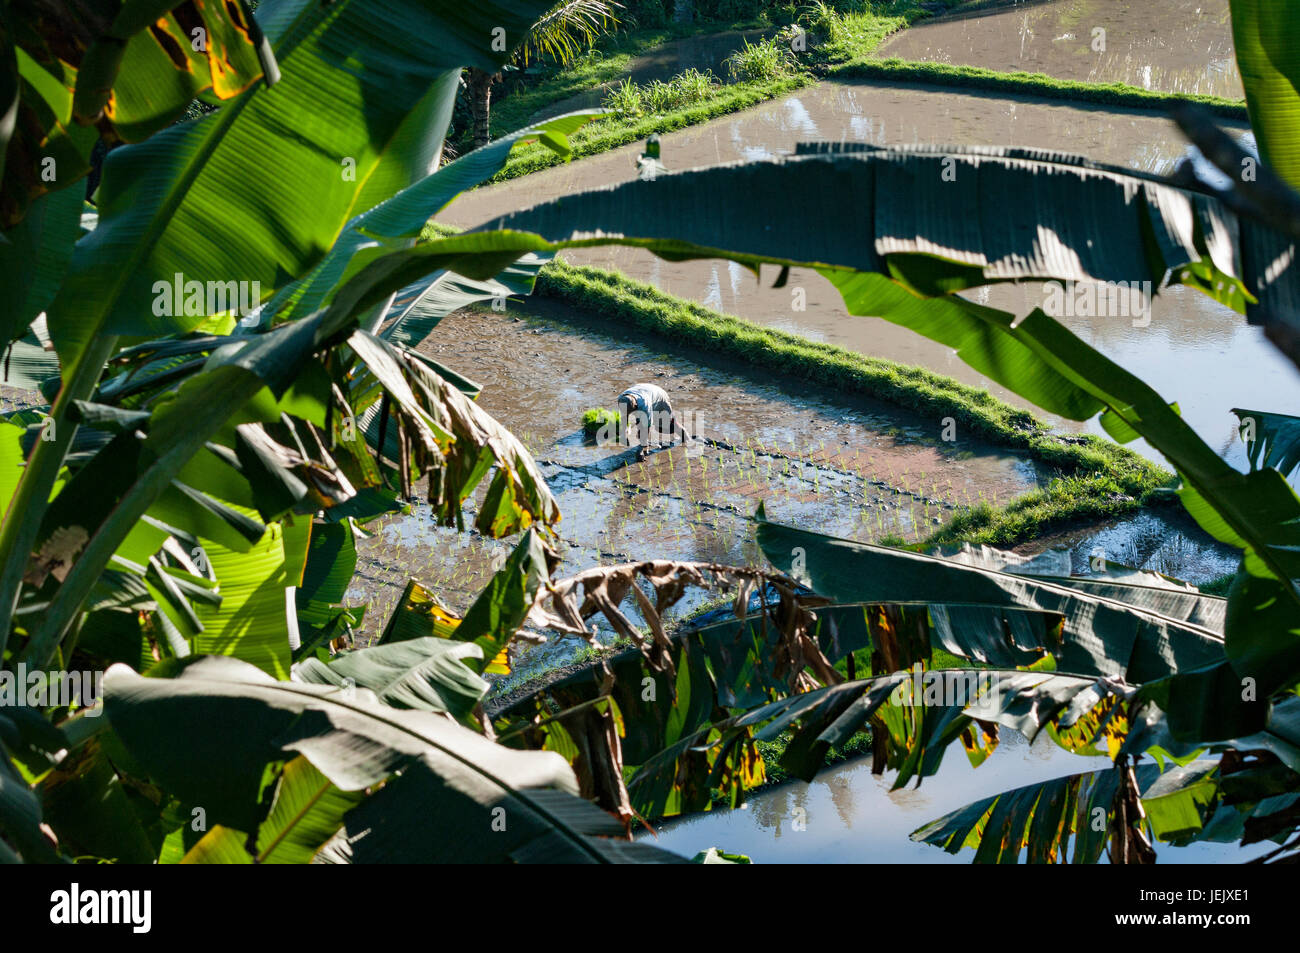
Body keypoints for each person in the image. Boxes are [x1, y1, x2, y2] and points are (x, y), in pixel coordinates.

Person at [617, 382, 691, 461]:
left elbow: (646, 428)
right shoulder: (622, 398)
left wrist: (641, 449)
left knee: (664, 427)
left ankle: (686, 437)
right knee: (641, 432)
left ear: (635, 406)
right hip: (646, 390)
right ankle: (646, 446)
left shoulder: (645, 405)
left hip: (660, 398)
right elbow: (624, 414)